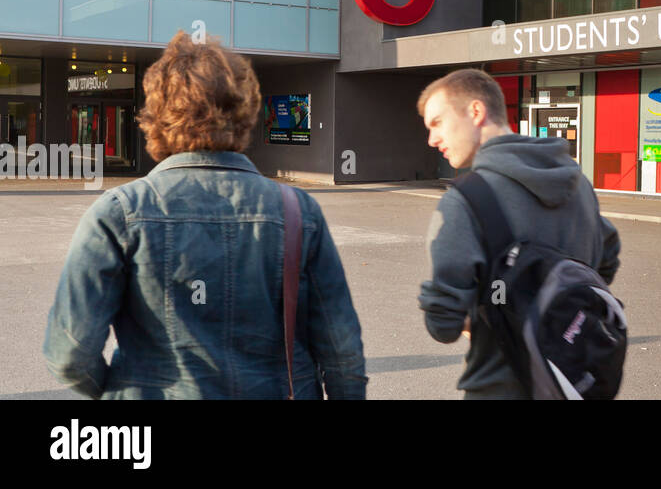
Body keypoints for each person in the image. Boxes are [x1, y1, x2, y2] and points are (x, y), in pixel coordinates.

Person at [43, 31, 367, 399]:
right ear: (245, 112)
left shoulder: (119, 213)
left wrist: (124, 388)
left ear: (155, 117)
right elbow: (342, 352)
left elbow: (69, 351)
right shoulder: (297, 211)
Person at [417, 69, 620, 399]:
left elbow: (443, 323)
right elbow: (605, 262)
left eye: (437, 122)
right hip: (574, 382)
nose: (432, 139)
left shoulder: (467, 199)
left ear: (476, 111)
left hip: (499, 387)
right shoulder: (578, 184)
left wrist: (494, 308)